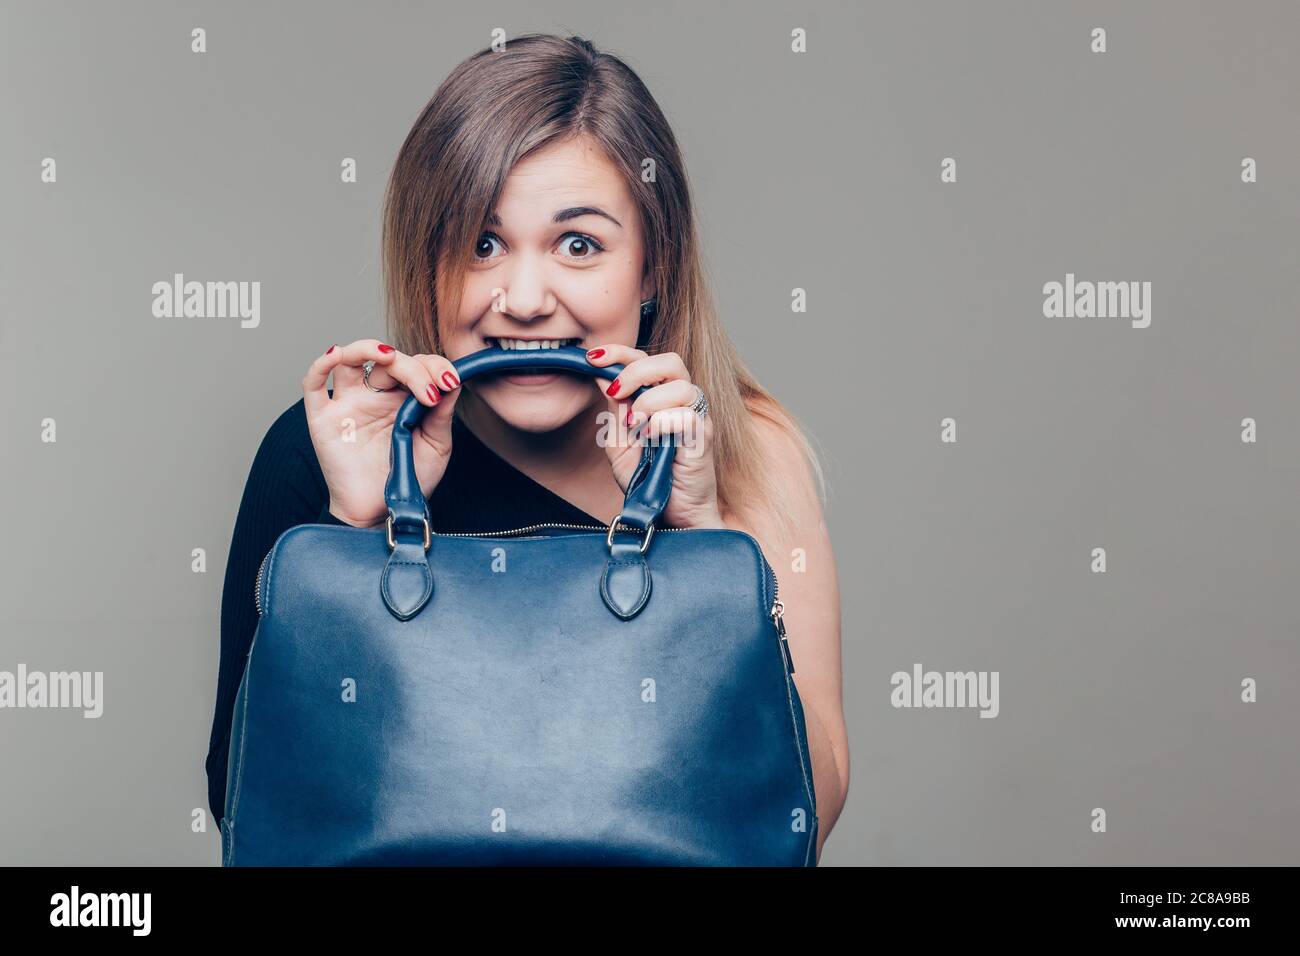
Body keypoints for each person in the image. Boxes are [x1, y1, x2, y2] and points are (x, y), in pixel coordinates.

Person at [204, 32, 849, 862]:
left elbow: (807, 808)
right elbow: (248, 803)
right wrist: (352, 535)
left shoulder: (750, 452)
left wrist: (702, 535)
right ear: (426, 260)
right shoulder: (325, 449)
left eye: (578, 245)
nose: (525, 298)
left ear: (653, 265)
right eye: (481, 243)